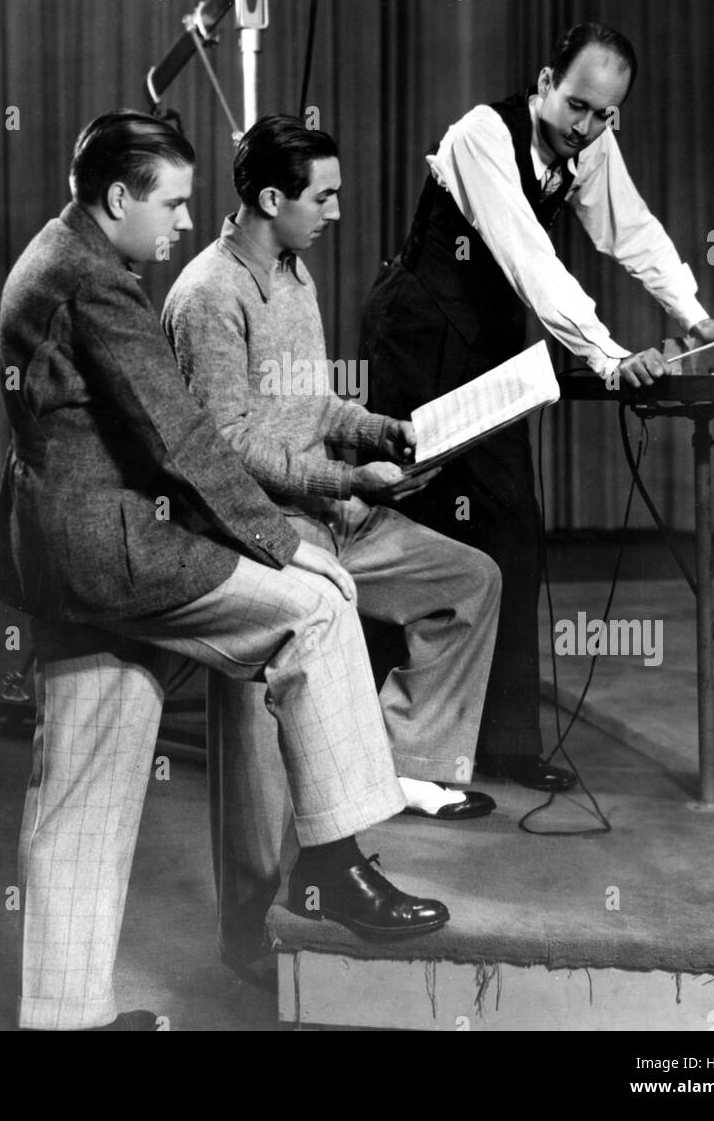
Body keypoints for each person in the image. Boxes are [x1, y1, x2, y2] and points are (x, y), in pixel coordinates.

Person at [0, 110, 451, 1033]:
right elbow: (184, 442)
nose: (182, 224)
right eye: (170, 205)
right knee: (315, 611)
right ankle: (334, 860)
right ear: (118, 198)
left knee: (87, 774)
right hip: (119, 553)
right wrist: (284, 543)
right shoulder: (99, 287)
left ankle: (62, 1017)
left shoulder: (56, 254)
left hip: (63, 552)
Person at [359, 22, 714, 793]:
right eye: (576, 107)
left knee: (510, 536)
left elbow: (629, 228)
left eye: (606, 115)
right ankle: (366, 753)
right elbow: (532, 261)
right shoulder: (478, 135)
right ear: (543, 83)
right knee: (404, 537)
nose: (588, 128)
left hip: (492, 345)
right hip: (419, 337)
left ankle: (503, 746)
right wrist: (604, 355)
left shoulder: (590, 143)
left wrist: (690, 314)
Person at [161, 114, 502, 970]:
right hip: (260, 538)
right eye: (326, 195)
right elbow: (225, 443)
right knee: (253, 758)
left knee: (467, 582)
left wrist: (382, 434)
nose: (339, 210)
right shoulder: (208, 295)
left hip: (336, 515)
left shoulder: (294, 269)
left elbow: (310, 408)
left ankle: (392, 772)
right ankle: (253, 944)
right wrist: (347, 480)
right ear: (271, 198)